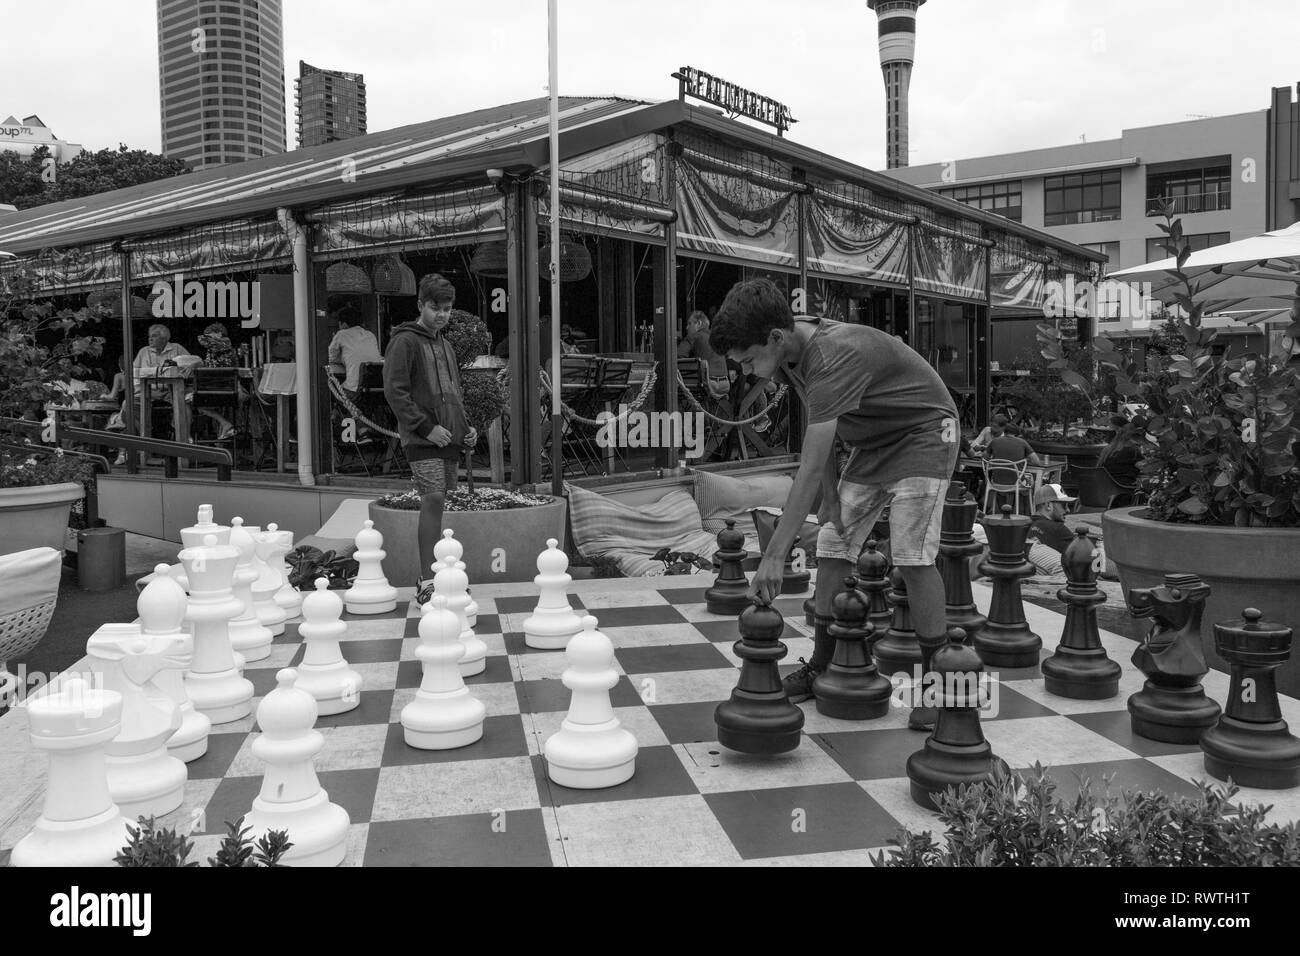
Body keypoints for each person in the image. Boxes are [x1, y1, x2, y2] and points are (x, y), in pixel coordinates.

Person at [709, 278, 958, 729]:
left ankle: (940, 685)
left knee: (911, 555)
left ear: (774, 339)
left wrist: (773, 556)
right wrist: (829, 496)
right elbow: (817, 427)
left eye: (747, 359)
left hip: (925, 432)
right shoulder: (789, 350)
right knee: (831, 544)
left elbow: (806, 464)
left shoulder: (829, 354)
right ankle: (823, 663)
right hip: (874, 443)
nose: (745, 370)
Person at [382, 274, 477, 595]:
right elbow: (395, 392)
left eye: (447, 309)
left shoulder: (446, 345)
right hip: (420, 436)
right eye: (435, 308)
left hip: (449, 437)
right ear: (420, 304)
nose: (442, 315)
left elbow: (454, 394)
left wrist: (467, 430)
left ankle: (440, 576)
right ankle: (428, 580)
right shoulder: (404, 341)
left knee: (439, 501)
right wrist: (426, 428)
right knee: (433, 499)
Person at [327, 301, 382, 401]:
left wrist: (343, 358)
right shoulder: (370, 334)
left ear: (343, 323)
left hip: (354, 390)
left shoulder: (341, 334)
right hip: (375, 390)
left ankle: (335, 415)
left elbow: (331, 358)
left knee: (331, 392)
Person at [677, 310, 731, 400]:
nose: (687, 327)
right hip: (725, 385)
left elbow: (678, 356)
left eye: (689, 324)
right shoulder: (716, 337)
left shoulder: (694, 336)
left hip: (707, 384)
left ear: (698, 323)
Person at [1029, 483, 1078, 554]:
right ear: (1048, 505)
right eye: (1064, 505)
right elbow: (1085, 555)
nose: (1068, 510)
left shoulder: (1024, 526)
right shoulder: (1058, 529)